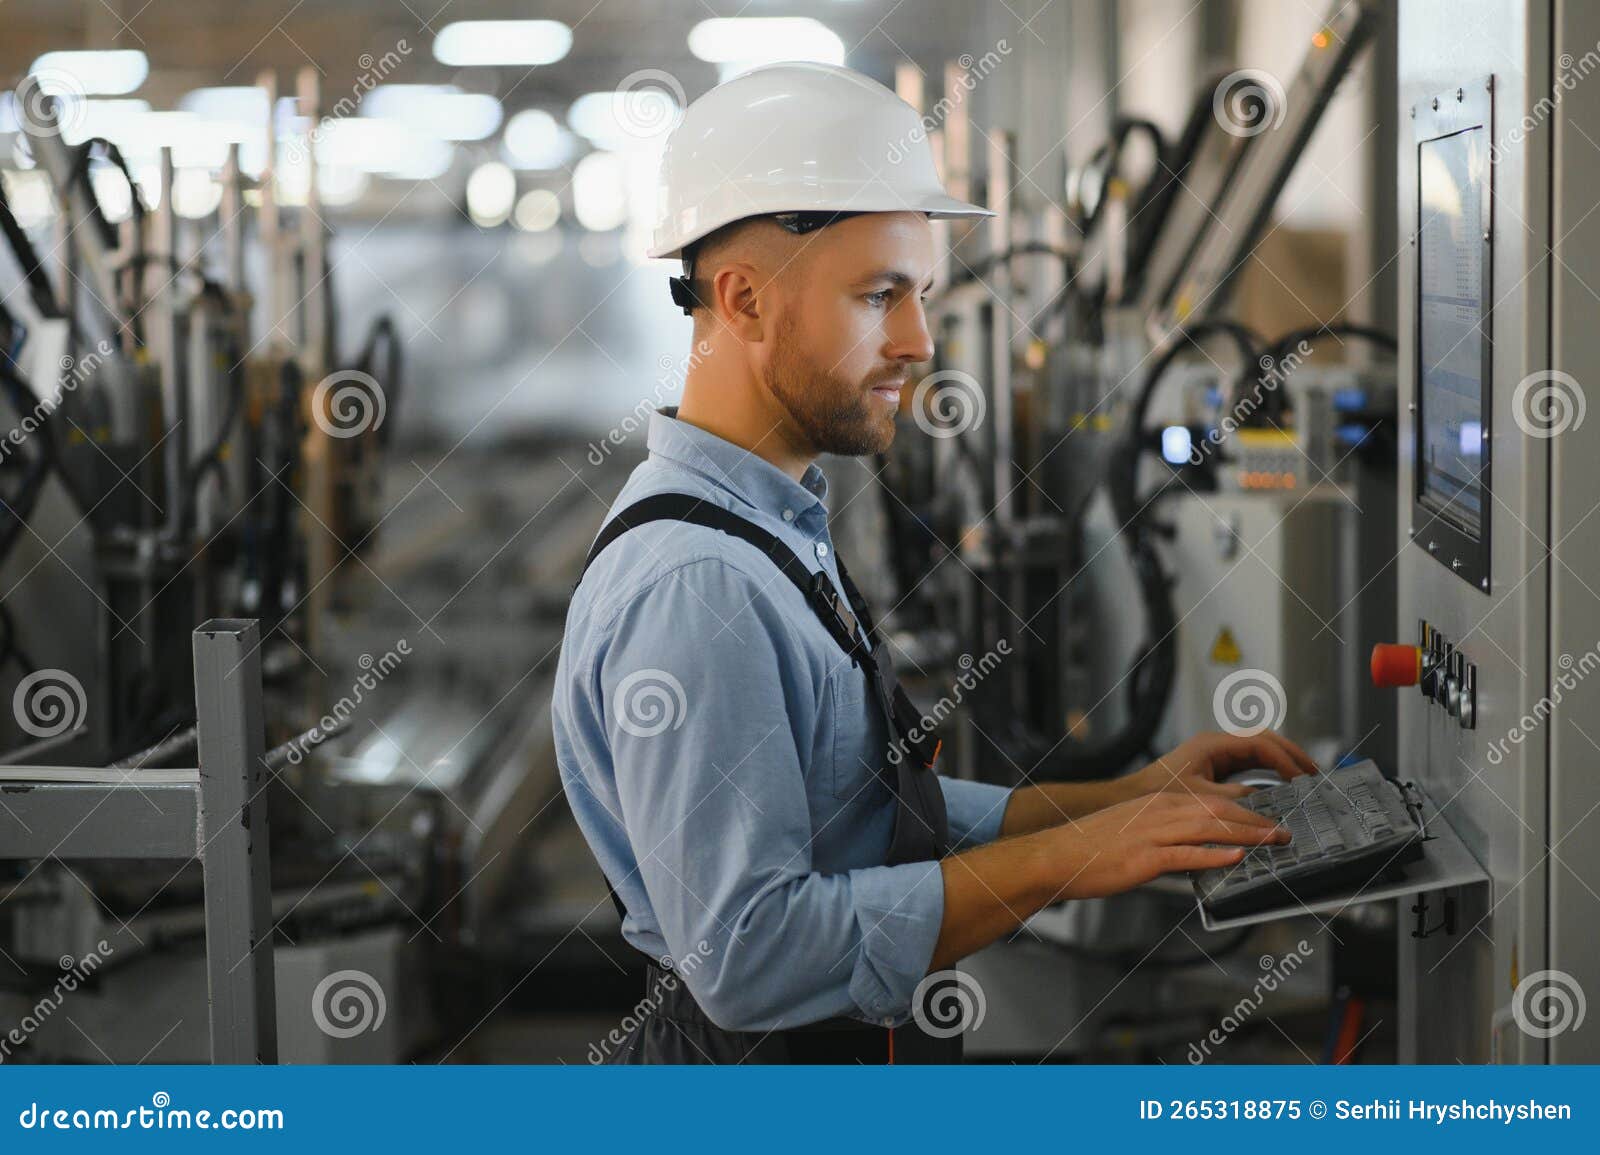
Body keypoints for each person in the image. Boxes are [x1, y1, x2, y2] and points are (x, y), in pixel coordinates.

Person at [551, 61, 1315, 1064]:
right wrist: (1072, 858)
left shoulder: (771, 525)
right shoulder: (701, 586)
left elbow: (855, 808)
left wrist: (1124, 802)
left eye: (921, 297)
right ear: (743, 300)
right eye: (880, 296)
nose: (917, 342)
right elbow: (750, 957)